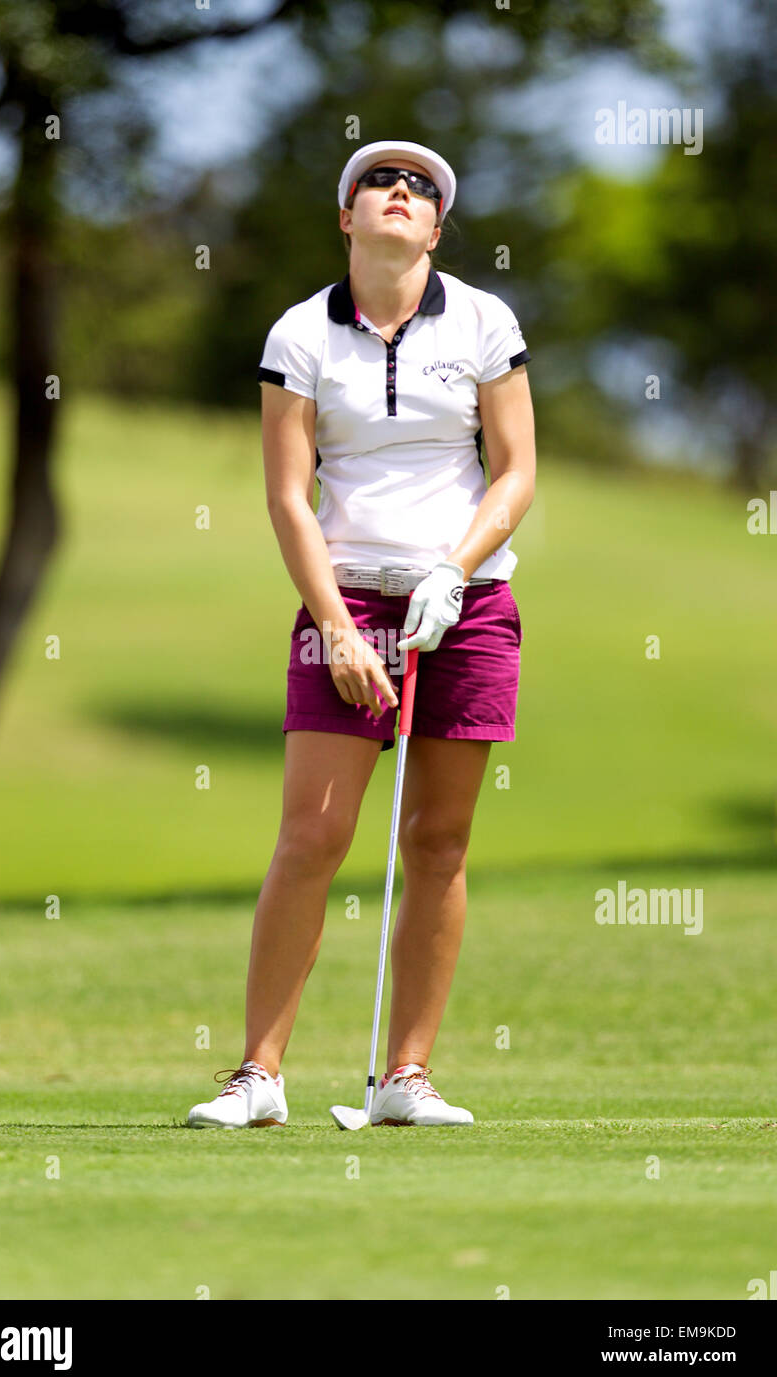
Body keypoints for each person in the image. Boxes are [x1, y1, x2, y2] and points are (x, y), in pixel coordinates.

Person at [188, 139, 536, 1129]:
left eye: (421, 187)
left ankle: (405, 1078)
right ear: (346, 217)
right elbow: (287, 497)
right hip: (344, 603)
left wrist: (452, 570)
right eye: (379, 182)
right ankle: (257, 1077)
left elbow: (513, 472)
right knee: (313, 835)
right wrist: (338, 629)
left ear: (435, 225)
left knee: (437, 840)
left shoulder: (483, 319)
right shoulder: (301, 334)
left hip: (465, 604)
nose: (400, 193)